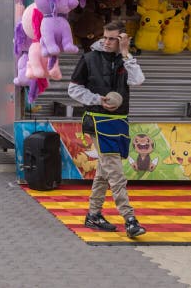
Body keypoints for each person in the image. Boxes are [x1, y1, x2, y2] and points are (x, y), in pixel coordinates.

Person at [68, 21, 147, 238]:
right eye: (105, 37)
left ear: (123, 39)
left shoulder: (125, 60)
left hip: (119, 121)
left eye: (113, 38)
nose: (107, 42)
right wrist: (97, 99)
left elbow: (138, 80)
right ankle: (130, 219)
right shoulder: (89, 58)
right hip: (96, 120)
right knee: (115, 171)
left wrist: (126, 53)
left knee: (104, 172)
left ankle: (93, 214)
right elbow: (73, 89)